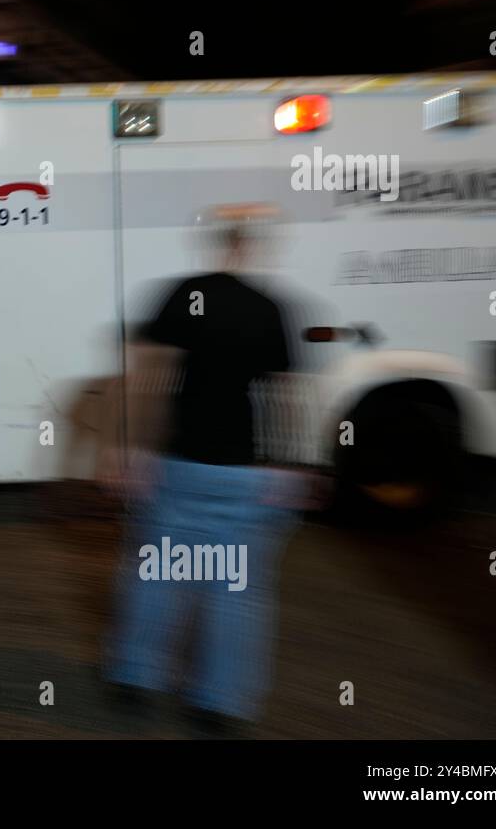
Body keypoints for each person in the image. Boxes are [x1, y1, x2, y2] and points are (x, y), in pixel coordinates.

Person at [99, 216, 311, 737]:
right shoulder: (271, 308)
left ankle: (136, 674)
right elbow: (285, 395)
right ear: (252, 250)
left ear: (216, 246)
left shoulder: (182, 295)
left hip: (179, 464)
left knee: (156, 573)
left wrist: (131, 451)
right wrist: (288, 465)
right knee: (235, 591)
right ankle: (219, 699)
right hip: (242, 470)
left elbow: (148, 379)